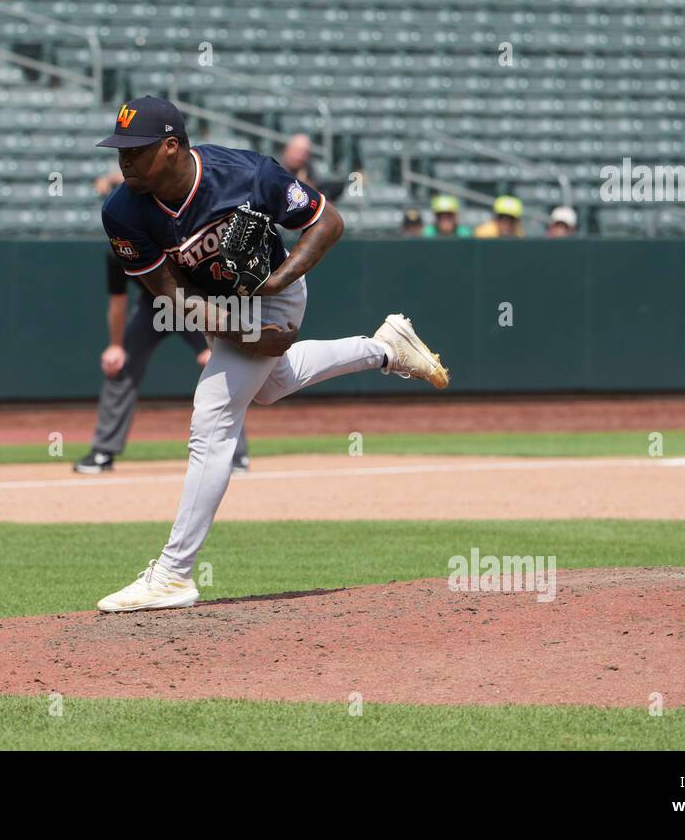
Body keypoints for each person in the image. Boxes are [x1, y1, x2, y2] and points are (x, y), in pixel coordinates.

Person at [93, 96, 449, 612]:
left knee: (213, 418)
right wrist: (239, 333)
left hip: (273, 294)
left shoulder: (248, 175)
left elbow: (328, 223)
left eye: (136, 150)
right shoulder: (122, 212)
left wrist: (271, 285)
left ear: (171, 147)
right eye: (120, 149)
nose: (124, 161)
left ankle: (173, 574)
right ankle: (384, 348)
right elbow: (170, 293)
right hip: (216, 306)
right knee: (273, 383)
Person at [75, 250, 251, 476]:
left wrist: (211, 338)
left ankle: (236, 455)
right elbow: (118, 301)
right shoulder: (117, 253)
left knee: (219, 367)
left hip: (192, 302)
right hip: (153, 305)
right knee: (120, 365)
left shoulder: (171, 237)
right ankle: (102, 452)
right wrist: (116, 346)